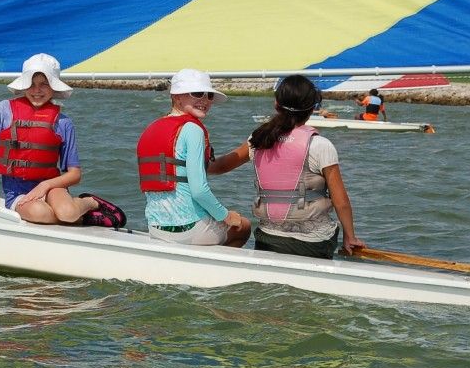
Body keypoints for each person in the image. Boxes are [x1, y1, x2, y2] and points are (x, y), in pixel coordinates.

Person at [208, 75, 365, 259]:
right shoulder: (320, 145)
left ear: (276, 104)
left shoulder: (258, 139)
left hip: (269, 239)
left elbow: (217, 167)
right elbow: (341, 201)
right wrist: (350, 237)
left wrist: (198, 156)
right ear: (312, 108)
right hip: (314, 243)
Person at [0, 53, 107, 225]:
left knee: (68, 214)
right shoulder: (4, 110)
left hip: (52, 187)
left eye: (44, 84)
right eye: (31, 84)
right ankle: (76, 215)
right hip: (17, 192)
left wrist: (45, 186)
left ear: (53, 87)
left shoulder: (64, 123)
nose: (36, 90)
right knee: (41, 213)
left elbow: (75, 174)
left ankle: (90, 203)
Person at [136, 68, 250, 247]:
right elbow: (199, 190)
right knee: (243, 227)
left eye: (209, 96)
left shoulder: (150, 128)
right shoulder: (193, 130)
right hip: (191, 230)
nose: (205, 100)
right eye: (197, 93)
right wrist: (226, 216)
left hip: (156, 228)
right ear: (176, 96)